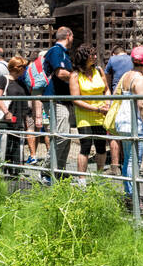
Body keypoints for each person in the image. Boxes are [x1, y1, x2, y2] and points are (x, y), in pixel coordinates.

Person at [110, 46, 143, 202]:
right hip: (133, 123)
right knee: (134, 162)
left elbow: (116, 95)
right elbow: (142, 105)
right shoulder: (140, 80)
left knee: (128, 160)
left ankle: (129, 195)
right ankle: (134, 199)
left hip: (123, 121)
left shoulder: (126, 75)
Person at [69, 44, 110, 183]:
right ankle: (82, 180)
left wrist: (107, 103)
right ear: (84, 56)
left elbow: (106, 89)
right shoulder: (75, 75)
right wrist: (96, 109)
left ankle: (99, 177)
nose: (95, 57)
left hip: (101, 114)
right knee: (85, 146)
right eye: (92, 54)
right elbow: (75, 99)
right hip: (84, 115)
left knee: (101, 146)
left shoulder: (99, 70)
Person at [0, 55, 31, 175]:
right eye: (24, 67)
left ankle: (15, 171)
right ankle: (2, 170)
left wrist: (26, 119)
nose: (25, 69)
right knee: (5, 144)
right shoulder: (3, 79)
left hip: (19, 120)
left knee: (18, 145)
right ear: (18, 68)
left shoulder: (21, 82)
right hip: (6, 120)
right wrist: (6, 112)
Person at [44, 26, 76, 173]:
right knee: (62, 135)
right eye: (73, 37)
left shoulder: (64, 53)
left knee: (66, 138)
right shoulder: (56, 51)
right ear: (68, 36)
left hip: (63, 100)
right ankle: (46, 171)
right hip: (55, 99)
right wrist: (79, 78)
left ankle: (59, 172)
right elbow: (61, 73)